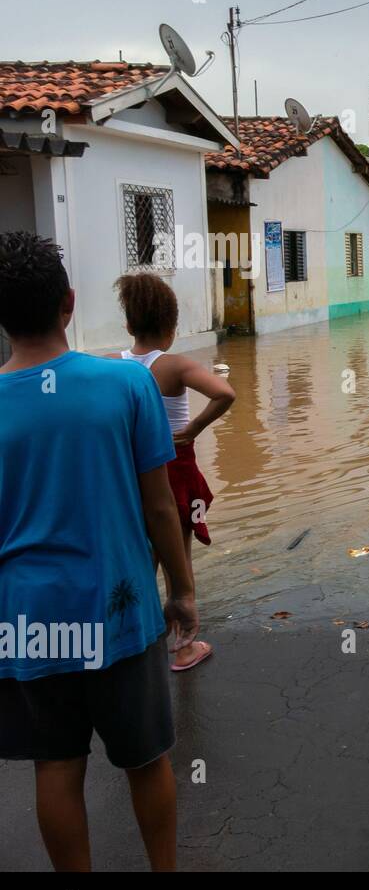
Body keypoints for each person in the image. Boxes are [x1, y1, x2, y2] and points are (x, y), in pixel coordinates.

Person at [0, 231, 198, 871]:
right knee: (146, 760)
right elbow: (161, 506)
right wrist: (183, 591)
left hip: (29, 617)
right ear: (70, 302)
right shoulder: (125, 385)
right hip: (118, 607)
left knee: (56, 764)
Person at [108, 273, 235, 671]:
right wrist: (194, 428)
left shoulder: (113, 366)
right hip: (174, 471)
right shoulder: (176, 365)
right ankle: (183, 647)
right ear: (172, 327)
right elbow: (225, 393)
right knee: (179, 556)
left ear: (128, 325)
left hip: (131, 474)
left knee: (143, 556)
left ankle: (129, 642)